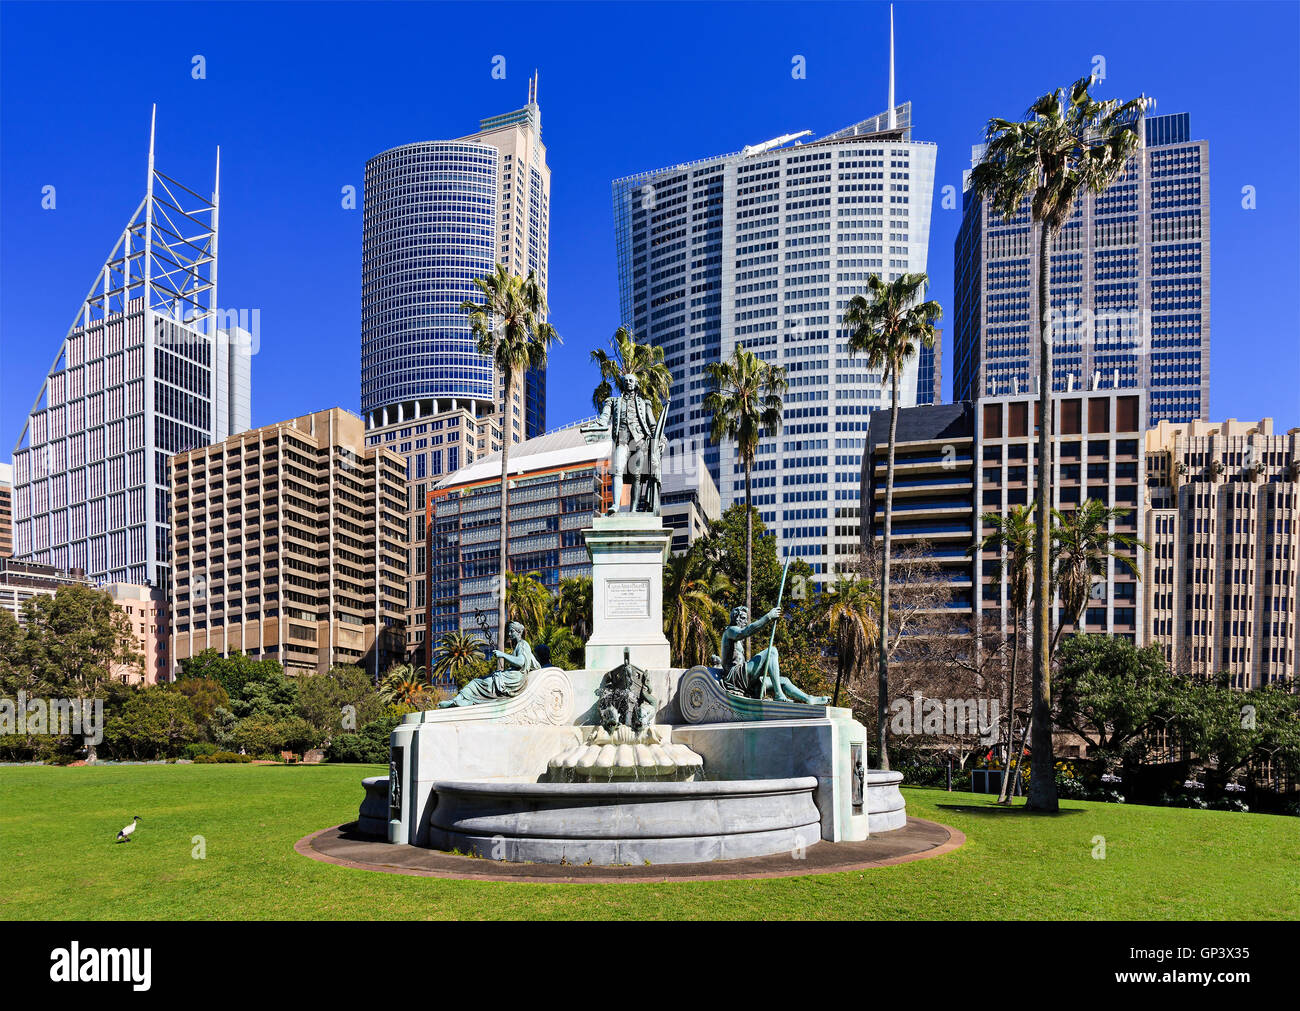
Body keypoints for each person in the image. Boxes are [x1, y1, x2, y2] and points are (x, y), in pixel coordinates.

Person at [717, 605, 829, 705]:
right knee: (772, 651)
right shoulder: (730, 631)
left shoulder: (736, 635)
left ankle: (808, 698)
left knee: (783, 681)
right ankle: (778, 694)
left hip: (744, 677)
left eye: (746, 619)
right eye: (742, 618)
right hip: (735, 676)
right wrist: (768, 616)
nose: (745, 621)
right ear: (735, 618)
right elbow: (745, 632)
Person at [437, 621, 539, 708]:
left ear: (519, 632)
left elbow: (521, 662)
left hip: (514, 678)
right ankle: (459, 700)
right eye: (509, 631)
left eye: (511, 631)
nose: (509, 633)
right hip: (510, 676)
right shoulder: (518, 645)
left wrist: (502, 655)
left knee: (479, 683)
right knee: (478, 682)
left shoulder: (523, 644)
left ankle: (467, 700)